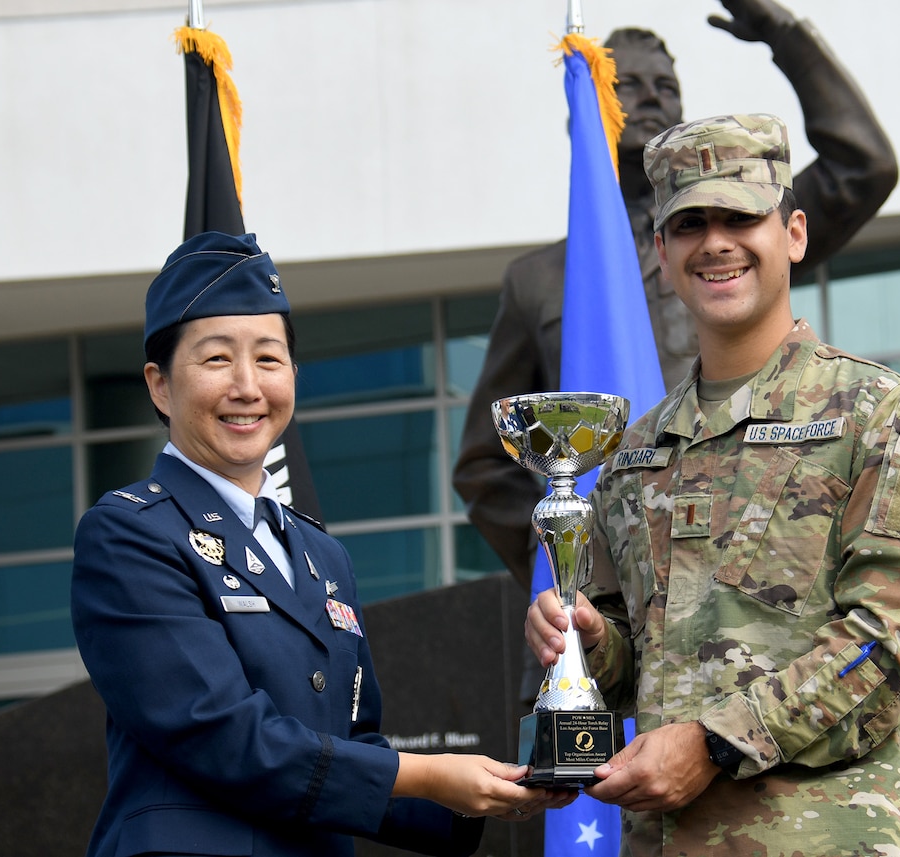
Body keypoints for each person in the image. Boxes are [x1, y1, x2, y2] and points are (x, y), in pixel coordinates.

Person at [524, 114, 900, 856]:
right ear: (662, 256)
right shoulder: (634, 455)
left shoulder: (881, 417)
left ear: (792, 233)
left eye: (740, 215)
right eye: (691, 223)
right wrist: (590, 642)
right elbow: (636, 665)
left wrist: (717, 742)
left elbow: (894, 642)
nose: (717, 242)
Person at [70, 231, 572, 857]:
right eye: (217, 359)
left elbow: (347, 747)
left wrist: (494, 786)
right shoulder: (130, 533)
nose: (248, 386)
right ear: (160, 385)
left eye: (270, 359)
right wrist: (427, 775)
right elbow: (219, 733)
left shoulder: (317, 553)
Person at [454, 0, 900, 590]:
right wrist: (575, 567)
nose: (652, 98)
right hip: (600, 611)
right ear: (588, 112)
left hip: (750, 575)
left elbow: (864, 165)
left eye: (666, 87)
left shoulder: (740, 235)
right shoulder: (539, 279)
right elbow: (487, 465)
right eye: (627, 85)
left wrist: (784, 36)